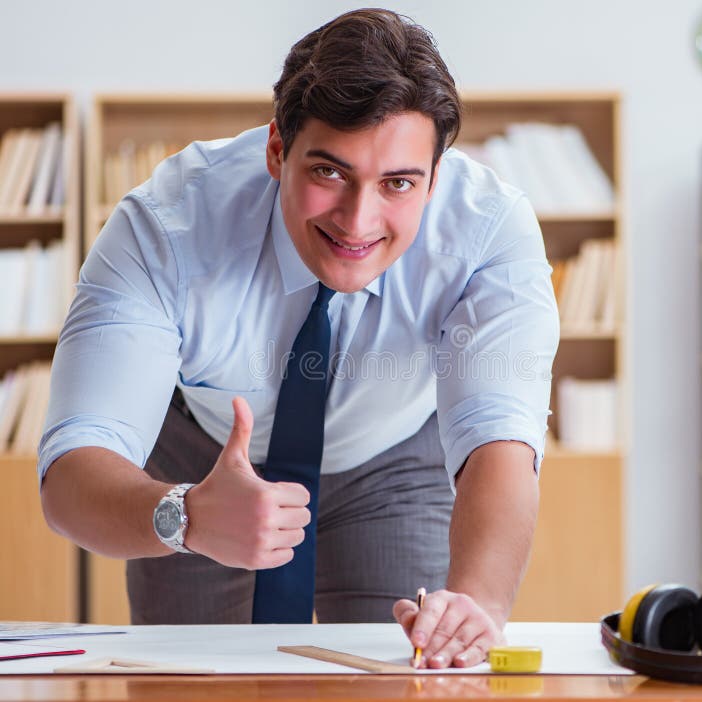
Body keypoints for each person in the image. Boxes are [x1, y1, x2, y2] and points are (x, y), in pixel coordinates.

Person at [38, 8, 558, 669]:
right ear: (278, 149)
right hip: (203, 457)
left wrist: (474, 607)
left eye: (399, 183)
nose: (359, 221)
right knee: (191, 684)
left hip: (392, 457)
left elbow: (500, 442)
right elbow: (73, 471)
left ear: (436, 173)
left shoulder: (488, 231)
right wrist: (186, 513)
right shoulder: (165, 228)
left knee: (408, 675)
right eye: (329, 173)